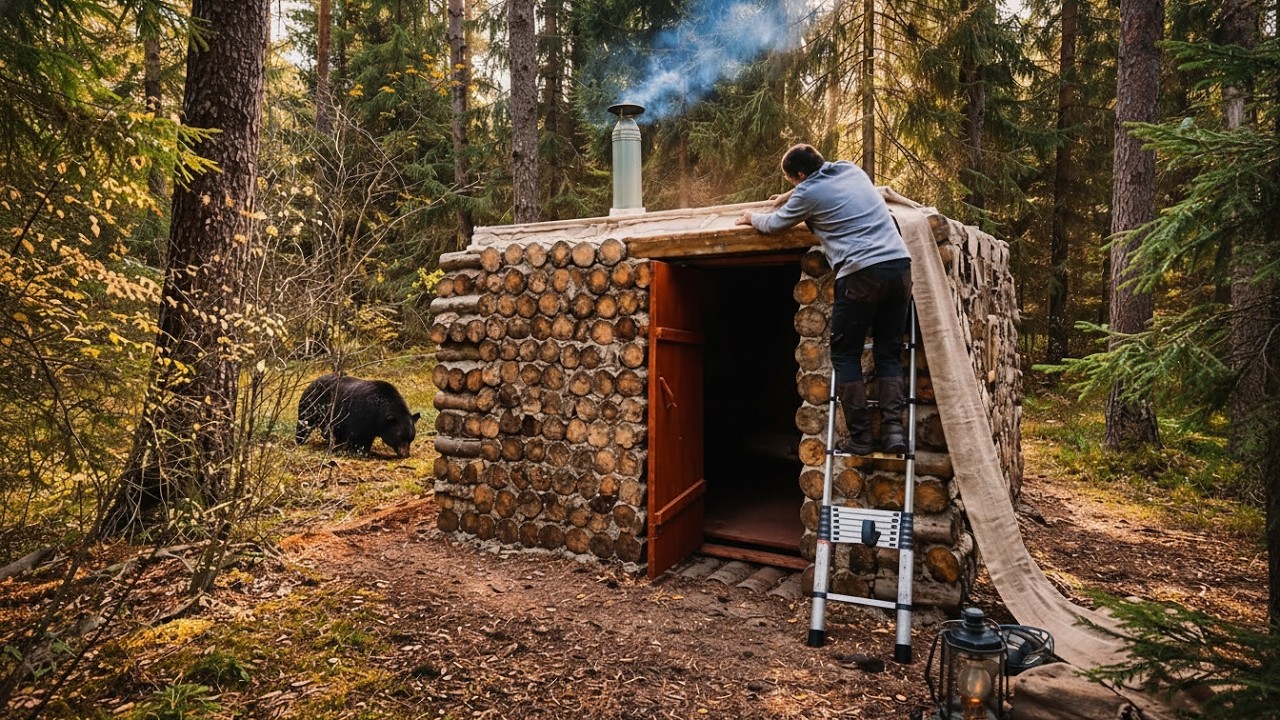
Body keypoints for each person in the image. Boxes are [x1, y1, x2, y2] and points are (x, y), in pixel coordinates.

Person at [735, 143, 912, 454]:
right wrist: (785, 197)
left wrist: (751, 216)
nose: (793, 188)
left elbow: (774, 225)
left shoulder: (807, 193)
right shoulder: (850, 169)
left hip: (860, 273)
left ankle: (860, 438)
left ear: (801, 175)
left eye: (792, 181)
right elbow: (812, 186)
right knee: (888, 352)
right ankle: (894, 431)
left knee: (845, 355)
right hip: (899, 267)